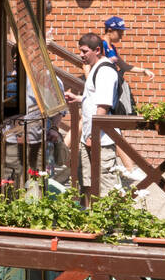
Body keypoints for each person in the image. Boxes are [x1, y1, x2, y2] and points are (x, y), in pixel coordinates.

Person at [64, 32, 121, 194]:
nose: (81, 55)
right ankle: (88, 217)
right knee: (87, 184)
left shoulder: (105, 71)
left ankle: (108, 219)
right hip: (91, 138)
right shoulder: (95, 68)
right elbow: (95, 98)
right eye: (80, 51)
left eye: (84, 51)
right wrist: (79, 98)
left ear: (97, 50)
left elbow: (103, 105)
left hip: (100, 140)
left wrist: (92, 136)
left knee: (104, 188)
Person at [98, 15, 151, 181]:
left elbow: (124, 66)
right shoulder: (101, 45)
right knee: (114, 129)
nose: (122, 35)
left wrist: (143, 70)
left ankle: (62, 151)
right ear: (110, 30)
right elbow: (89, 66)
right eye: (120, 32)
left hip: (110, 91)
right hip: (103, 92)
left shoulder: (111, 47)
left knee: (112, 129)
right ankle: (129, 168)